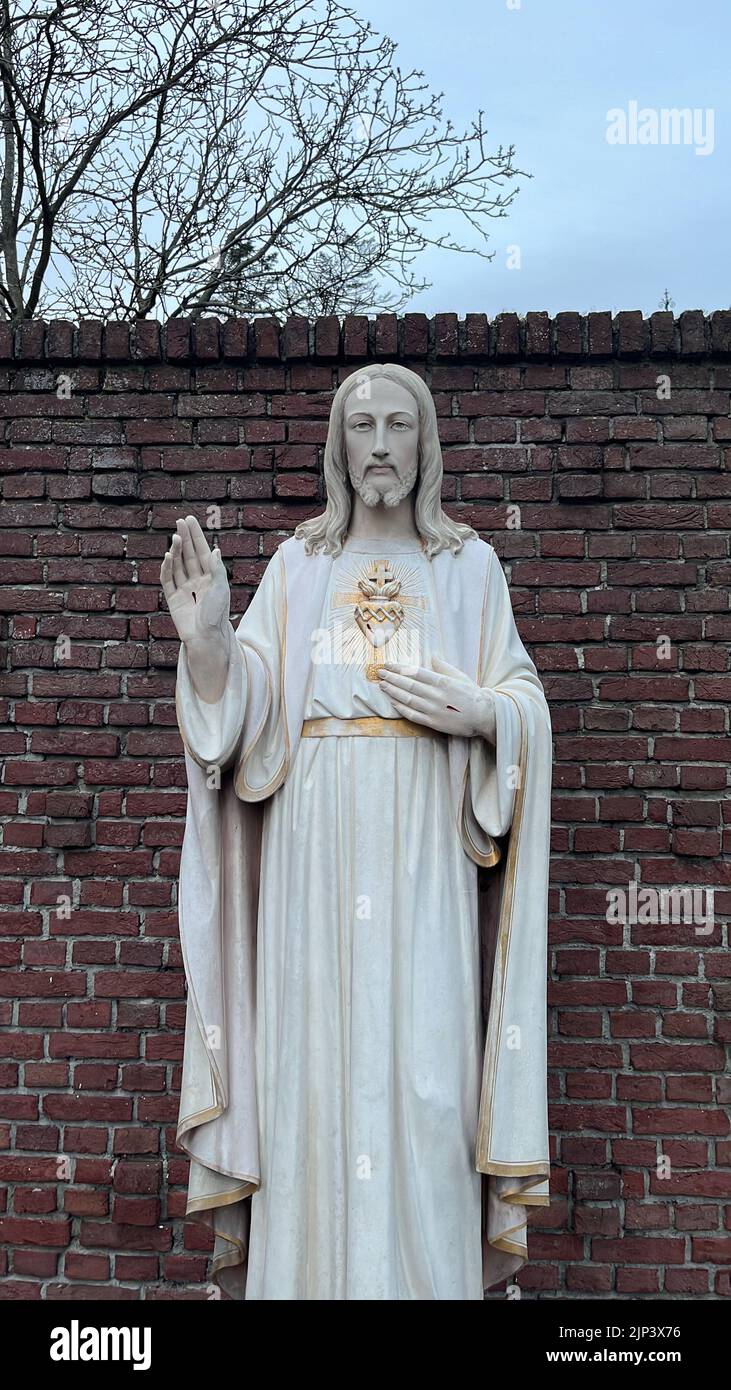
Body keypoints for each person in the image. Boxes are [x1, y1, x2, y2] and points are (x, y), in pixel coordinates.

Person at [161, 363, 552, 1300]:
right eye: (362, 426)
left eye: (398, 426)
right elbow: (243, 714)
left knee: (429, 1089)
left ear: (426, 446)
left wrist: (484, 715)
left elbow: (524, 702)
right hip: (311, 855)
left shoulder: (468, 567)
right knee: (309, 1084)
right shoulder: (301, 566)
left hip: (423, 853)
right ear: (338, 447)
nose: (379, 445)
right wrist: (210, 644)